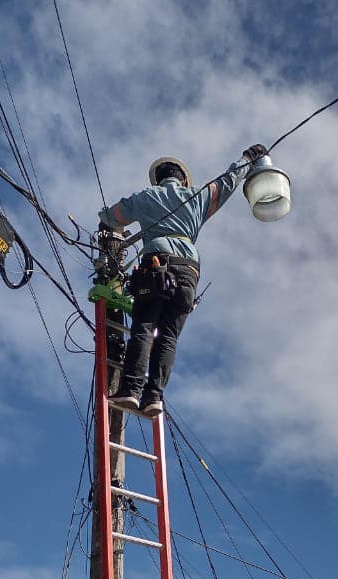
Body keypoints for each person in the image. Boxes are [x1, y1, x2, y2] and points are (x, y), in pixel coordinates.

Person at [99, 144, 267, 417]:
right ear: (184, 179)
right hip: (189, 270)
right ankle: (154, 397)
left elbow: (111, 216)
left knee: (144, 327)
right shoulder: (197, 197)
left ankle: (131, 390)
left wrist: (107, 225)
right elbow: (227, 181)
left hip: (155, 265)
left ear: (158, 179)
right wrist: (248, 159)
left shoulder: (146, 197)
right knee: (168, 337)